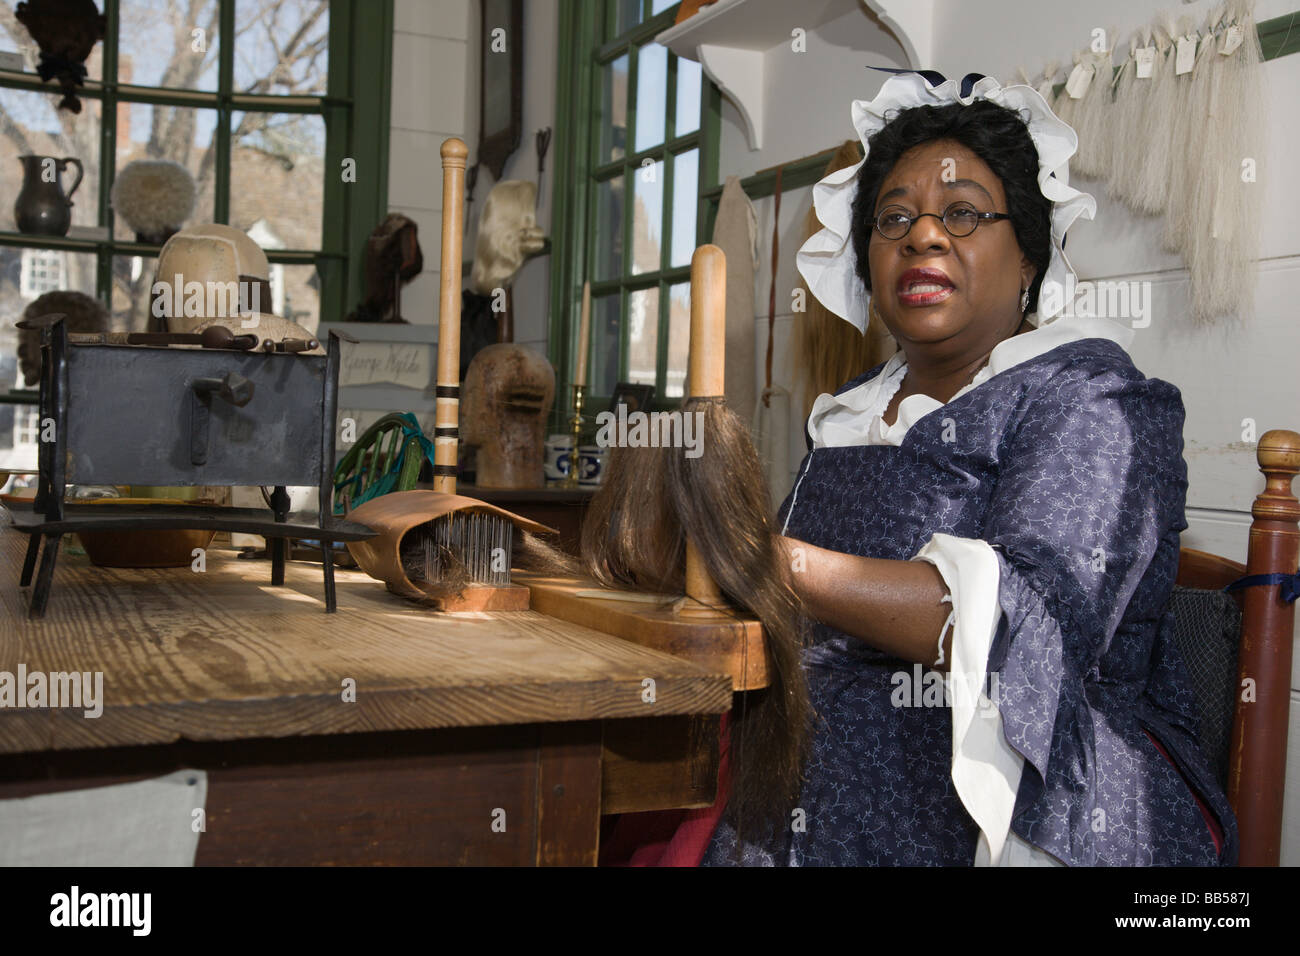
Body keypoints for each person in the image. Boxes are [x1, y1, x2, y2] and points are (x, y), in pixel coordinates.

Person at [698, 71, 1236, 866]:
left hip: (1018, 786)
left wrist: (767, 560)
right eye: (894, 218)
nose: (922, 237)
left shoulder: (1095, 399)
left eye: (962, 213)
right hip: (808, 771)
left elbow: (1028, 627)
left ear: (1030, 257)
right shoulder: (853, 409)